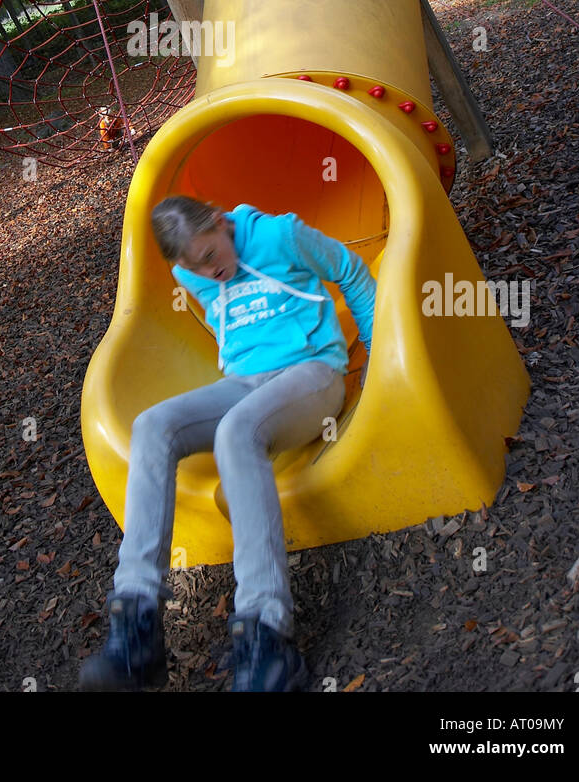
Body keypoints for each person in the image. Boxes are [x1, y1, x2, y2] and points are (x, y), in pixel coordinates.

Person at [78, 194, 377, 693]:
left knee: (236, 432)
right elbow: (227, 325)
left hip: (312, 372)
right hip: (244, 382)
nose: (212, 272)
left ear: (221, 223)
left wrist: (382, 359)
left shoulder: (280, 236)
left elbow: (352, 274)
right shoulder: (189, 271)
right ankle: (136, 626)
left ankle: (267, 633)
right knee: (153, 426)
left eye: (212, 254)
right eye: (196, 267)